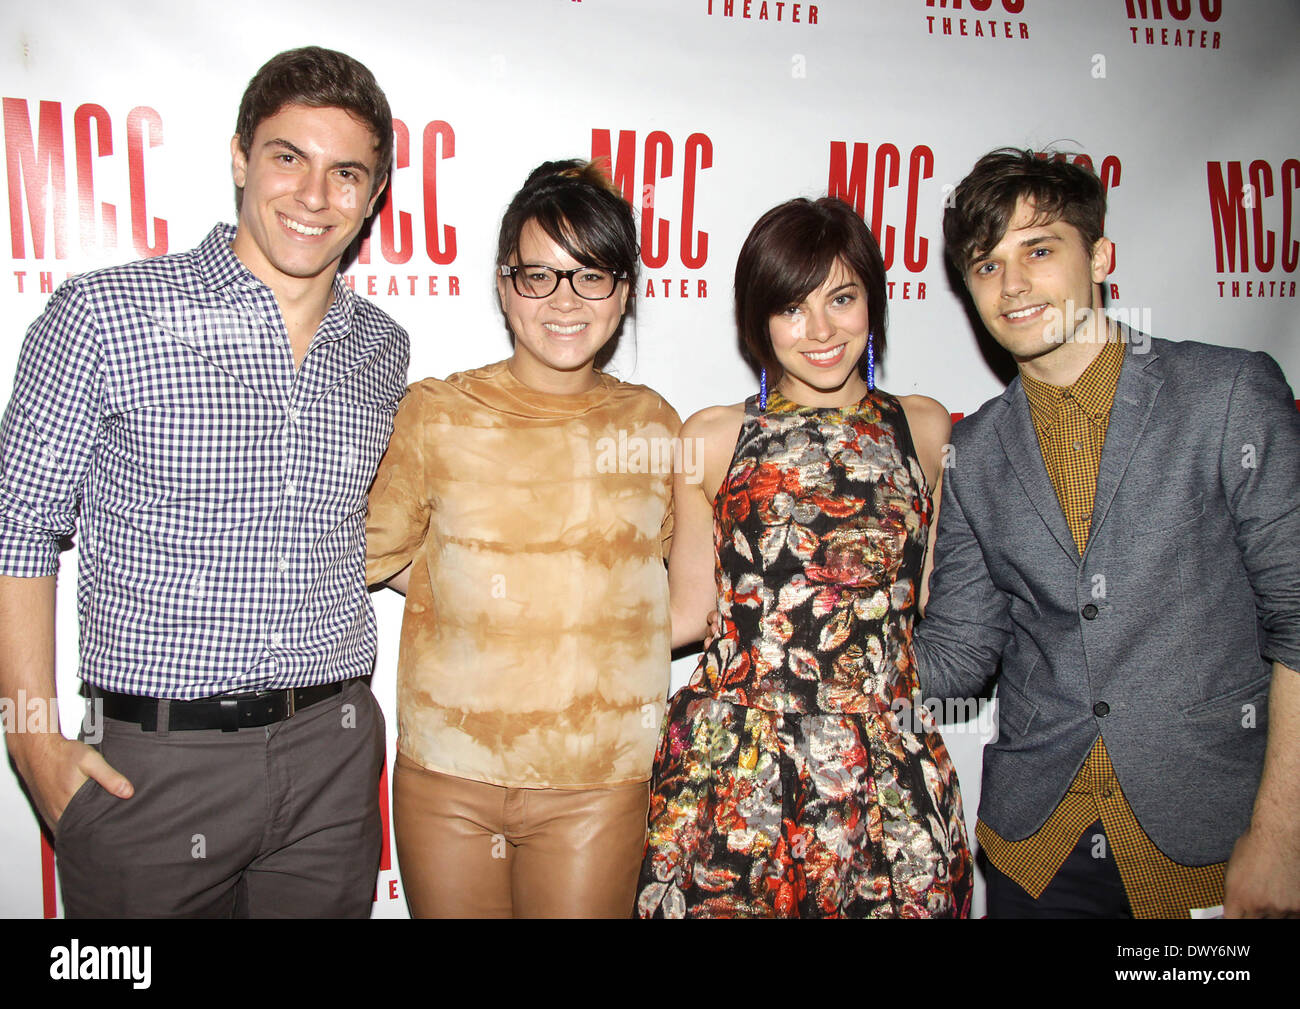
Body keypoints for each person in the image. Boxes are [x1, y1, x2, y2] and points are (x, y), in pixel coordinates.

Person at [0, 46, 408, 917]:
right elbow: (18, 524)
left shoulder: (382, 346)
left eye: (347, 174)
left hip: (334, 757)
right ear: (239, 157)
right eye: (287, 157)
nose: (312, 196)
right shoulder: (106, 315)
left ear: (374, 197)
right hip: (153, 769)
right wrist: (31, 738)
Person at [914, 147, 1300, 918]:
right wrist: (803, 628)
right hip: (1037, 847)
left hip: (1211, 841)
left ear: (1100, 254)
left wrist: (1283, 834)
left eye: (1040, 249)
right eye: (986, 265)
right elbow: (957, 657)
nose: (1013, 284)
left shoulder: (1228, 393)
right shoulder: (975, 448)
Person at [635, 196, 972, 918]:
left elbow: (933, 604)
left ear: (873, 303)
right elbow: (690, 612)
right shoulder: (713, 435)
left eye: (842, 298)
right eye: (792, 307)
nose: (820, 331)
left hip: (885, 768)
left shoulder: (925, 426)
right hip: (735, 766)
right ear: (758, 320)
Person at [365, 159, 680, 918]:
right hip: (446, 774)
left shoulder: (654, 425)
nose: (563, 301)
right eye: (537, 275)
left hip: (597, 781)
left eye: (591, 275)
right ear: (505, 287)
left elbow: (660, 579)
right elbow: (380, 553)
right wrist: (478, 580)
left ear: (624, 289)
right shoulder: (435, 411)